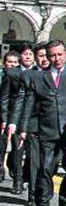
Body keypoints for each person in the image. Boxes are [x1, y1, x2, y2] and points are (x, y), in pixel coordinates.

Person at [19, 40, 66, 206]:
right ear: (48, 56)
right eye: (52, 55)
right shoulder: (38, 78)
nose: (57, 58)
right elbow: (29, 104)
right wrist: (23, 128)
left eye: (60, 54)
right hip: (47, 131)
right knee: (45, 169)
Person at [0, 50, 23, 193]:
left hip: (14, 116)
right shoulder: (2, 76)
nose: (12, 65)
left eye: (15, 62)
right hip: (2, 115)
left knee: (15, 147)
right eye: (10, 62)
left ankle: (14, 173)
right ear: (4, 63)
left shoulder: (19, 76)